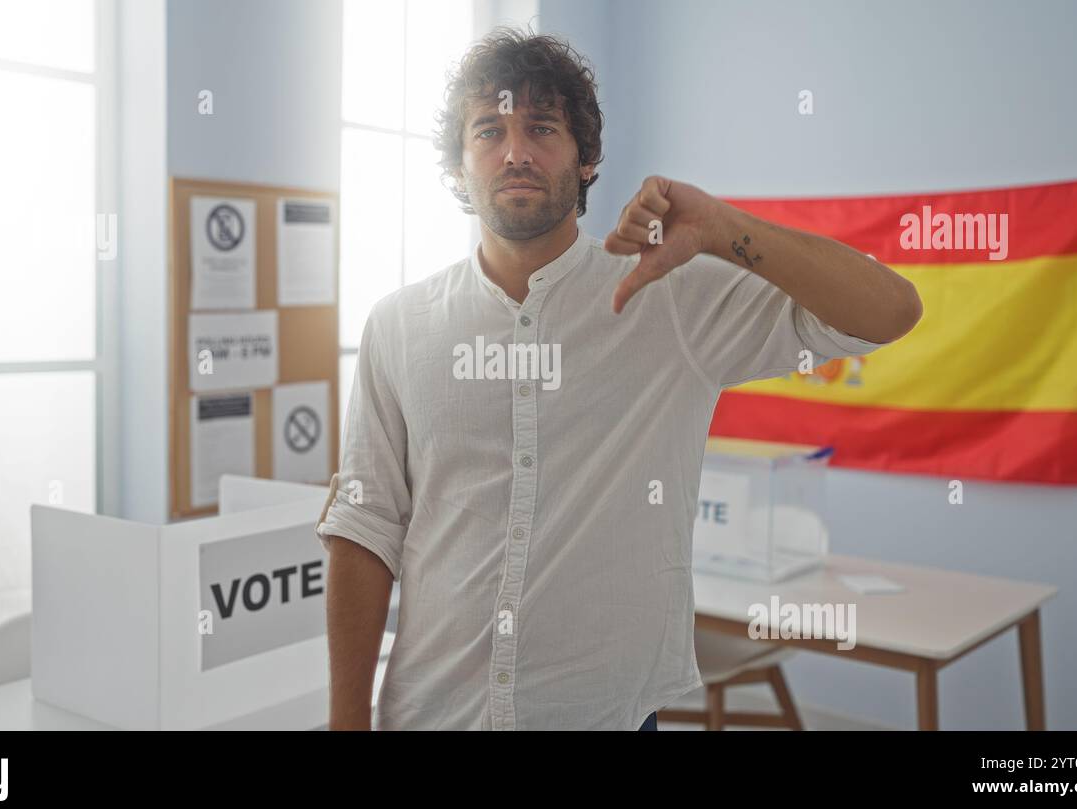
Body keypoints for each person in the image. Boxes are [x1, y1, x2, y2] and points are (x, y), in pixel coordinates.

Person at [317, 28, 922, 730]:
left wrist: (724, 227)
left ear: (588, 158)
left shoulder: (668, 297)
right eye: (489, 130)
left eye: (541, 127)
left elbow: (888, 313)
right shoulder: (397, 325)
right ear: (458, 165)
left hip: (603, 714)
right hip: (431, 711)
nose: (515, 151)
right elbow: (364, 528)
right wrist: (344, 720)